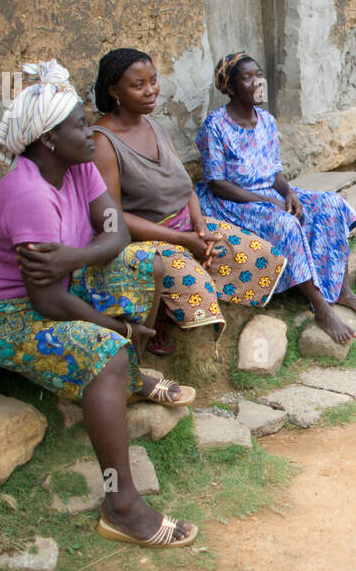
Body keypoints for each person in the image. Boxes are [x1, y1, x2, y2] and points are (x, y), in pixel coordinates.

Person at [0, 60, 199, 548]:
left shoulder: (76, 170)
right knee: (109, 352)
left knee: (150, 266)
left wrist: (75, 256)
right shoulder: (29, 195)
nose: (90, 131)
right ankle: (121, 506)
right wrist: (116, 331)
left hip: (56, 286)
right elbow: (49, 301)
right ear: (48, 140)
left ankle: (126, 381)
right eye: (79, 125)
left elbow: (115, 230)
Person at [89, 48, 287, 356]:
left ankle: (189, 298)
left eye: (153, 81)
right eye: (138, 85)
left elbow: (186, 186)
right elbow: (113, 218)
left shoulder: (154, 126)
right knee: (194, 285)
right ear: (114, 90)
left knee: (258, 253)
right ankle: (156, 325)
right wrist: (183, 240)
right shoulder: (103, 142)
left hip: (186, 227)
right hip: (145, 240)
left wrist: (199, 227)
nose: (150, 90)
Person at [196, 52, 356, 344]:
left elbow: (274, 172)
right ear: (230, 86)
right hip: (231, 200)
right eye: (247, 77)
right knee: (285, 224)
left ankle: (341, 287)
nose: (257, 82)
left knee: (330, 204)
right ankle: (321, 308)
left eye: (258, 75)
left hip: (267, 193)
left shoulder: (266, 120)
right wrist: (269, 203)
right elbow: (217, 183)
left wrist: (288, 193)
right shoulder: (216, 125)